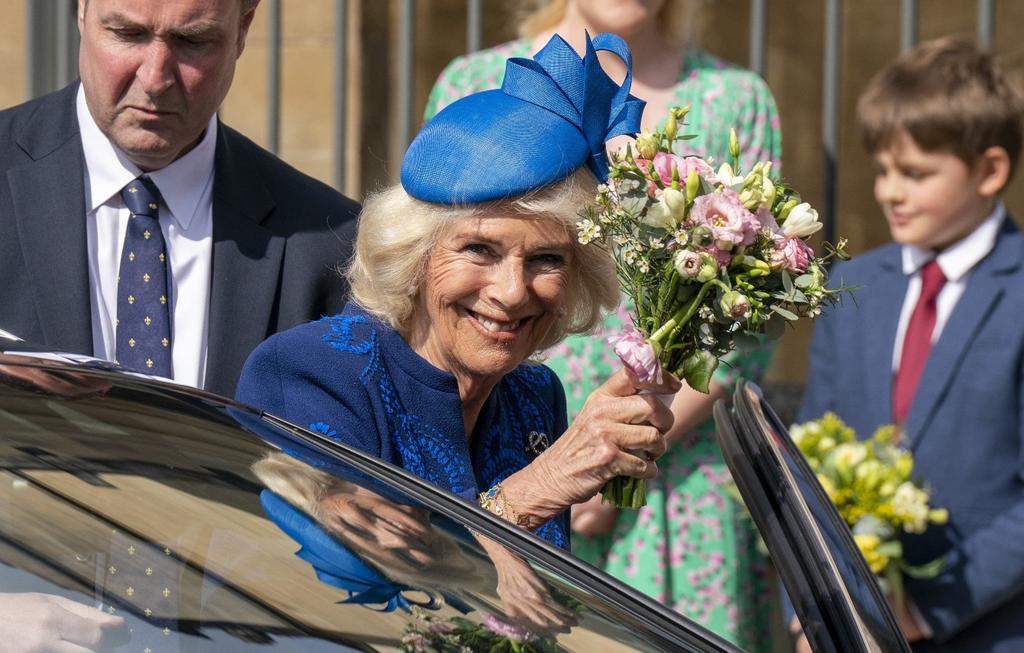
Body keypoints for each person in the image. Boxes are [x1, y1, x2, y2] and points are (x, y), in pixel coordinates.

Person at [237, 32, 680, 556]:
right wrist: (548, 482)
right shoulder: (312, 375)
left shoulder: (534, 397)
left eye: (547, 259)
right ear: (415, 254)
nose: (513, 293)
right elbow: (360, 588)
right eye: (479, 250)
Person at [424, 1, 780, 648]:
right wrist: (559, 463)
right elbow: (438, 281)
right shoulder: (474, 82)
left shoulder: (735, 99)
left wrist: (625, 445)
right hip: (507, 455)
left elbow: (743, 318)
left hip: (668, 479)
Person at [0, 0, 359, 398]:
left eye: (193, 40)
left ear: (243, 28)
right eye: (127, 34)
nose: (155, 78)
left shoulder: (331, 244)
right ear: (82, 9)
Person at [798, 36, 1024, 652]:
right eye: (882, 171)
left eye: (916, 174)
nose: (888, 193)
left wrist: (926, 609)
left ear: (991, 171)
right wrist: (817, 610)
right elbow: (816, 447)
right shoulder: (854, 284)